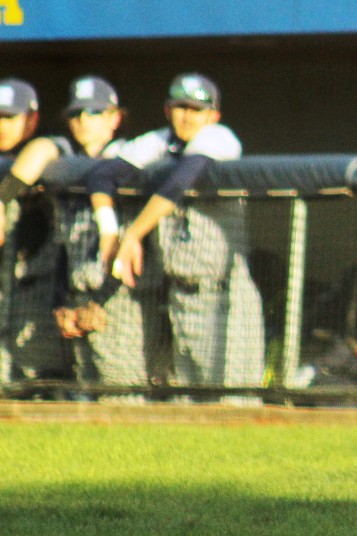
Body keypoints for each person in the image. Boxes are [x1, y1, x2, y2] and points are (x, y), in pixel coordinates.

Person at [92, 74, 264, 404]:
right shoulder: (160, 140)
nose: (187, 116)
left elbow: (179, 183)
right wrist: (108, 228)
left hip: (225, 292)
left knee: (233, 402)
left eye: (196, 109)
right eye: (181, 107)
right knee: (191, 399)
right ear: (168, 109)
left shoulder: (219, 138)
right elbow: (102, 174)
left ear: (212, 115)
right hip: (181, 296)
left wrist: (132, 235)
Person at [2, 77, 148, 397]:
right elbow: (41, 148)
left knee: (124, 398)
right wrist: (62, 304)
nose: (83, 121)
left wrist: (99, 302)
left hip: (119, 299)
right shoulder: (63, 156)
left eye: (94, 112)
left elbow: (140, 247)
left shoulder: (131, 155)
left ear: (115, 117)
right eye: (76, 114)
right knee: (84, 401)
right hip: (77, 297)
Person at [0, 78, 70, 385]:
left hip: (34, 285)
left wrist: (1, 199)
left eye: (10, 118)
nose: (2, 125)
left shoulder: (50, 145)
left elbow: (42, 151)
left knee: (34, 376)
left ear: (32, 119)